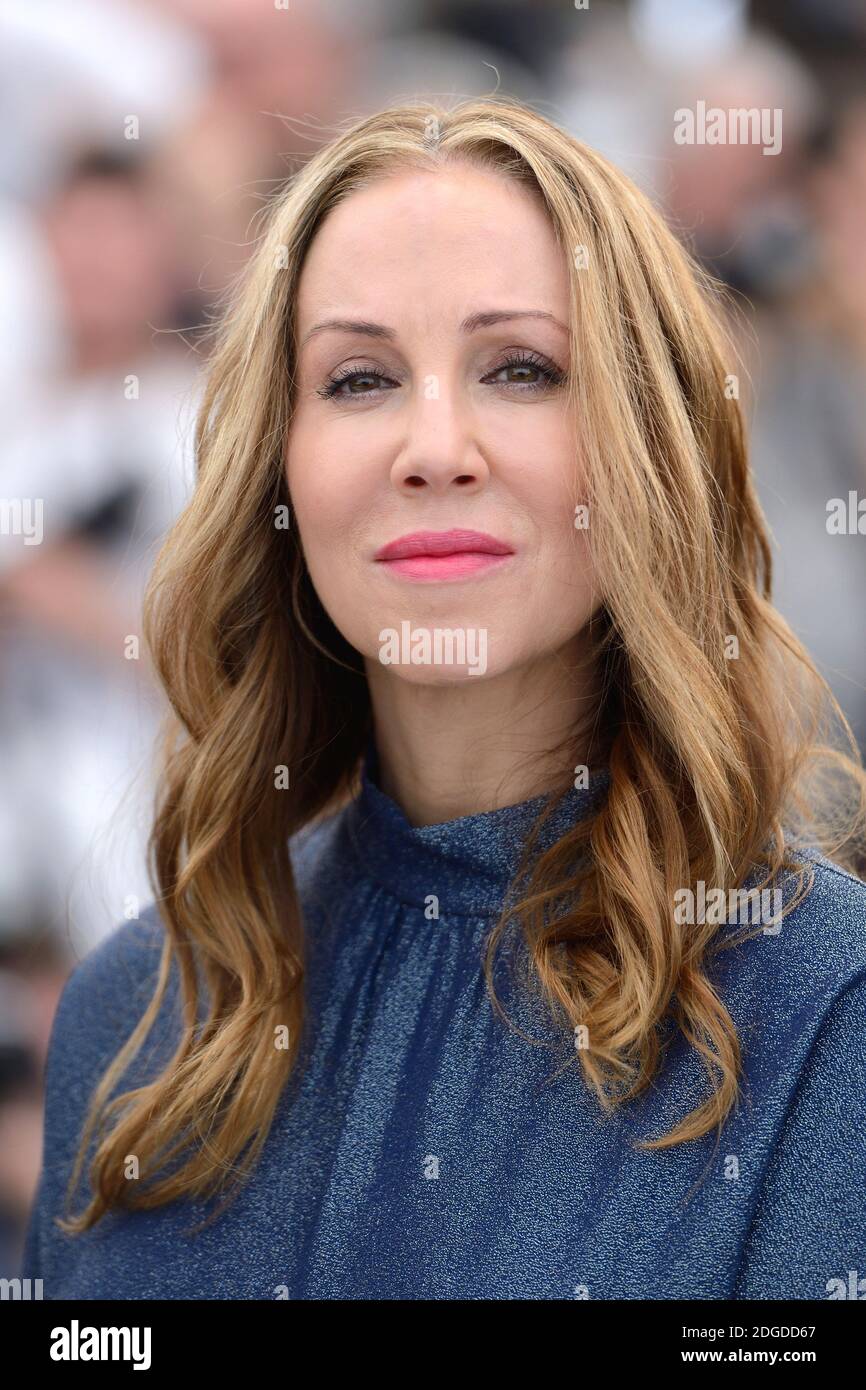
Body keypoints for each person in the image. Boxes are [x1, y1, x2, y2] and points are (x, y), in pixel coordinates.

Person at [21, 98, 866, 1300]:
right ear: (278, 462)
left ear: (643, 444)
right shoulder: (133, 1016)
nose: (432, 444)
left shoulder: (823, 1009)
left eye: (518, 368)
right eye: (358, 378)